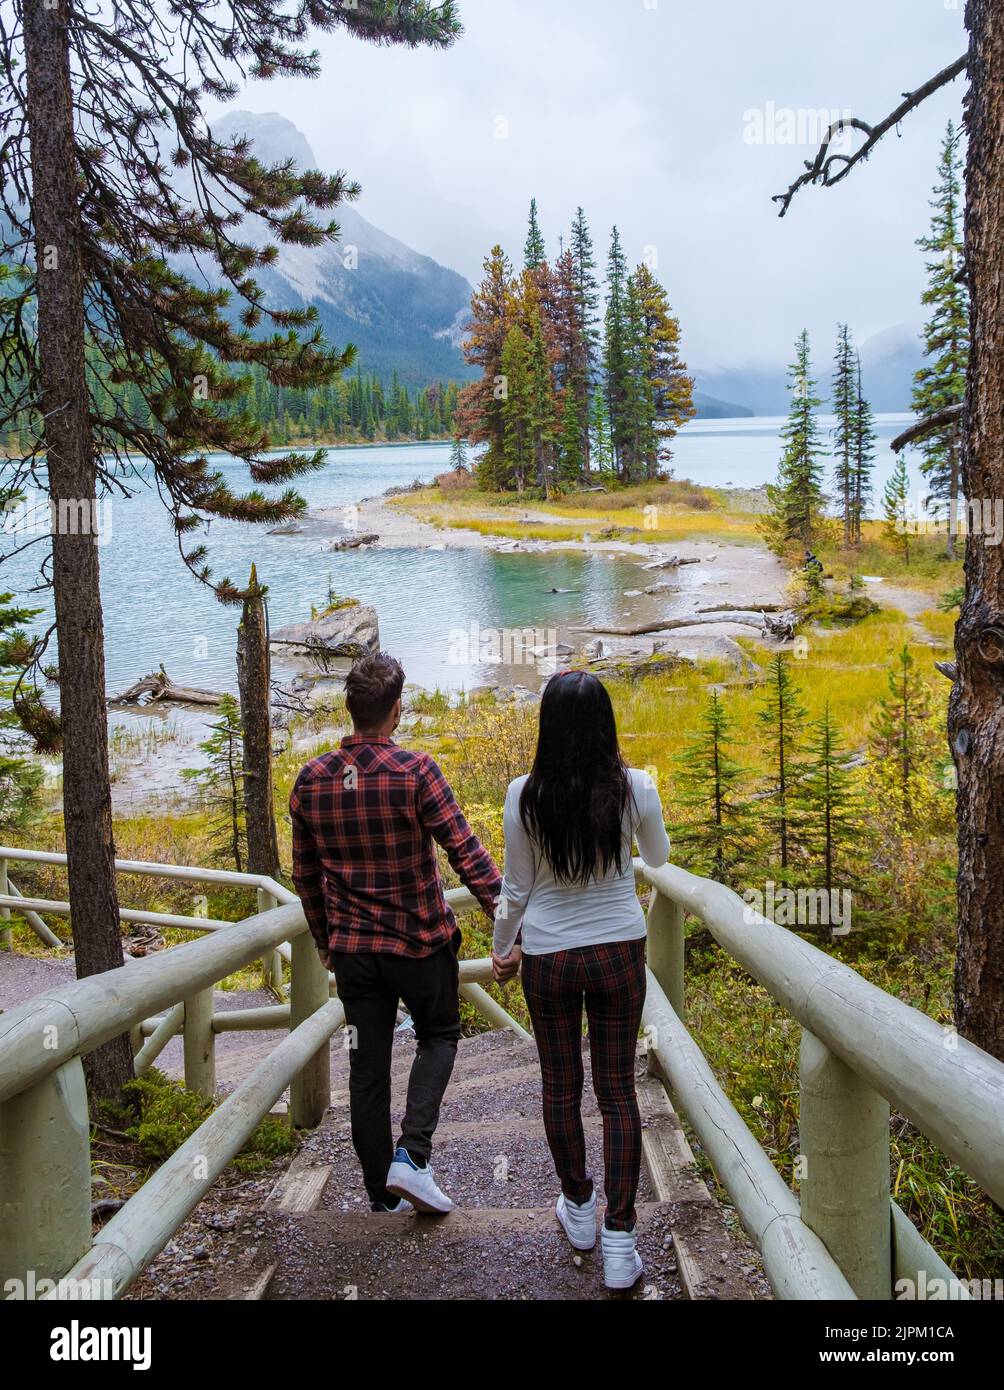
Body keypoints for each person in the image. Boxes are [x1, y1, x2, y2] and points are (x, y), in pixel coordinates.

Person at [290, 651, 501, 1215]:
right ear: (396, 711)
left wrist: (325, 940)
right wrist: (508, 914)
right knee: (439, 1034)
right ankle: (412, 1155)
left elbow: (304, 876)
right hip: (420, 943)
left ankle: (381, 1197)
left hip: (355, 953)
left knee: (367, 1067)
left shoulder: (310, 781)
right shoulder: (416, 770)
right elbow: (465, 852)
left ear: (350, 709)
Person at [491, 670, 669, 1291]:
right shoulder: (636, 787)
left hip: (550, 957)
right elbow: (659, 859)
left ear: (547, 728)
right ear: (606, 724)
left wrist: (502, 950)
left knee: (560, 1088)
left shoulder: (523, 795)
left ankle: (579, 1207)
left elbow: (515, 890)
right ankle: (621, 1238)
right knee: (618, 1092)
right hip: (619, 949)